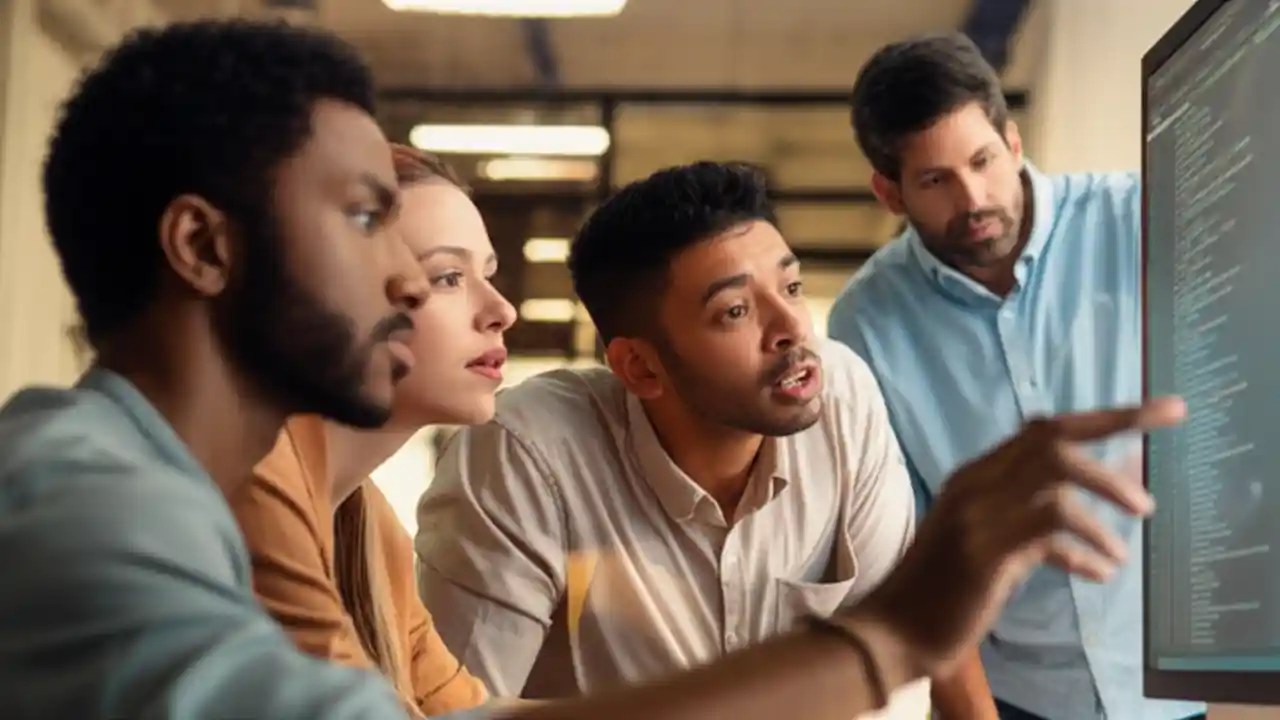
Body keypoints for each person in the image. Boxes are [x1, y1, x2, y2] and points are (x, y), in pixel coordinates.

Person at [0, 17, 1184, 720]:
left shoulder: (310, 512)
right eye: (365, 221)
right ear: (205, 248)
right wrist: (880, 640)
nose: (417, 287)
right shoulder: (79, 499)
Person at [419, 163, 1016, 718]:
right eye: (734, 312)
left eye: (790, 287)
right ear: (640, 368)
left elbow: (906, 644)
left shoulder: (841, 400)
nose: (790, 329)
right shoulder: (529, 456)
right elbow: (462, 711)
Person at [825, 33, 1204, 720]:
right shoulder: (867, 324)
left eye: (983, 160)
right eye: (935, 180)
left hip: (1169, 690)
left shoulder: (1139, 222)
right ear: (889, 191)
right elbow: (917, 552)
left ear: (1014, 140)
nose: (974, 199)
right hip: (1012, 697)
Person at [230, 144, 512, 717]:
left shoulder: (365, 522)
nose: (501, 310)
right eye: (449, 276)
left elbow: (466, 712)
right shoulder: (257, 473)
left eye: (486, 275)